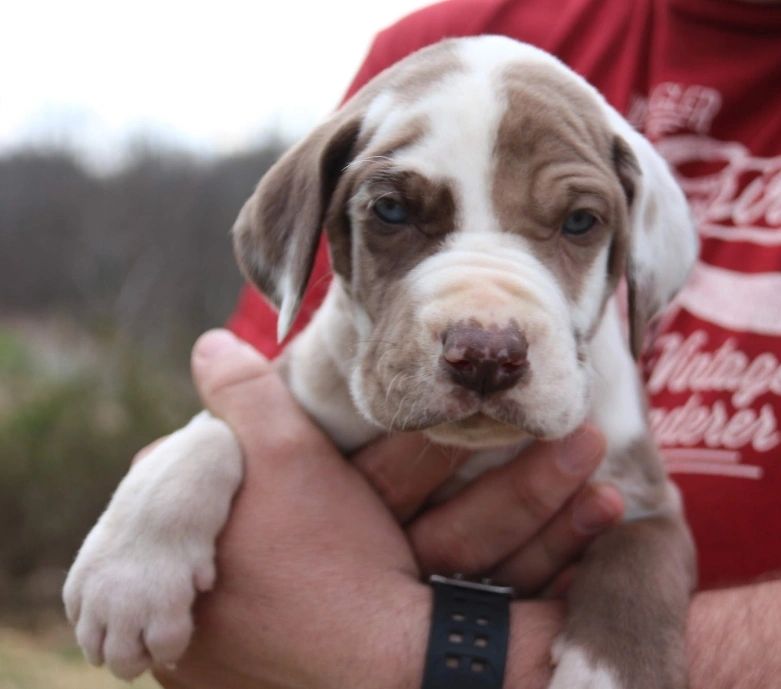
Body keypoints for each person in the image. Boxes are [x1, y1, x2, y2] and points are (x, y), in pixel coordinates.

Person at [155, 0, 781, 686]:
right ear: (307, 242)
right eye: (392, 212)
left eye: (576, 221)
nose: (487, 341)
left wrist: (416, 651)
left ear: (639, 254)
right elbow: (216, 607)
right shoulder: (428, 51)